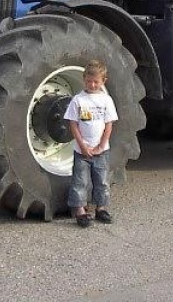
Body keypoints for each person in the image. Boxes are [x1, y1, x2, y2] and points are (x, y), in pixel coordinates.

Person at [63, 60, 119, 228]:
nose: (92, 84)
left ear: (103, 81)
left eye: (96, 82)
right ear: (84, 79)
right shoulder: (78, 100)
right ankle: (80, 211)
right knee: (80, 181)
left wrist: (101, 146)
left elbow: (109, 124)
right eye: (88, 81)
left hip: (101, 151)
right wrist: (82, 146)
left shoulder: (106, 100)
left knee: (101, 180)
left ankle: (101, 208)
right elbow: (73, 124)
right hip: (82, 150)